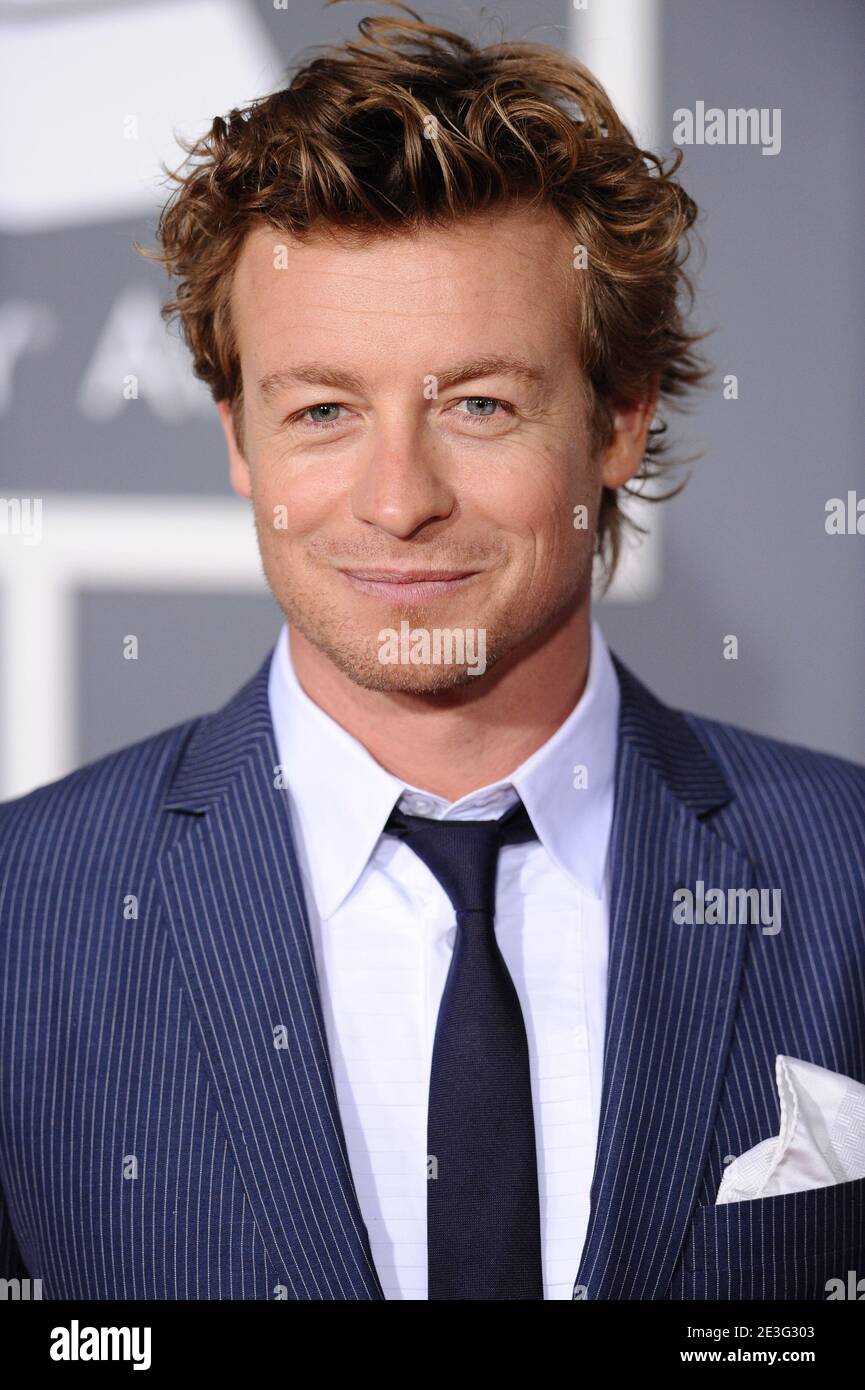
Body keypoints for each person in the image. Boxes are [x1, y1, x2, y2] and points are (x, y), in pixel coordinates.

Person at [1, 3, 862, 1301]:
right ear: (238, 438)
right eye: (324, 409)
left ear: (618, 418)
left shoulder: (846, 877)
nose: (397, 497)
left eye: (478, 403)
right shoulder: (24, 913)